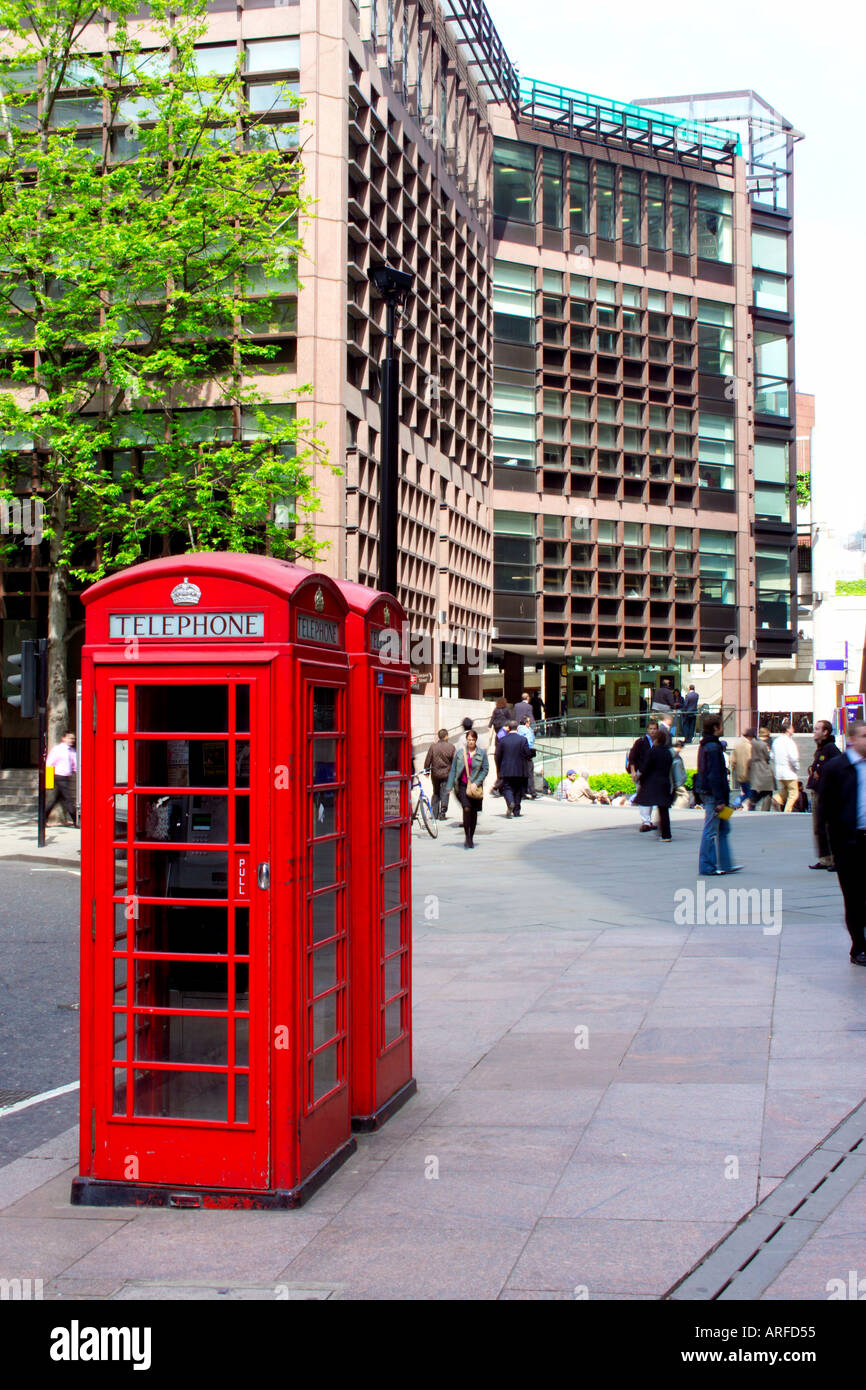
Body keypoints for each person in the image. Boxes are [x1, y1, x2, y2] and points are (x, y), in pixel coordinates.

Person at [820, 718, 866, 965]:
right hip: (849, 842)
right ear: (853, 739)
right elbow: (824, 811)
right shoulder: (836, 767)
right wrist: (826, 850)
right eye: (865, 736)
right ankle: (858, 946)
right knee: (854, 897)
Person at [695, 715, 741, 876]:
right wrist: (720, 800)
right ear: (715, 728)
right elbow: (714, 775)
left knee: (723, 828)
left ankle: (726, 864)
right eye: (721, 725)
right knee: (712, 830)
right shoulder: (713, 747)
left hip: (713, 794)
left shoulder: (707, 745)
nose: (723, 728)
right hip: (714, 796)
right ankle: (707, 866)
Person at [444, 729, 488, 849]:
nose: (471, 742)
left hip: (475, 787)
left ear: (476, 740)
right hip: (462, 785)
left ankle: (471, 837)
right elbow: (453, 769)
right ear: (466, 740)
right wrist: (449, 786)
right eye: (469, 740)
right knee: (466, 808)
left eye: (473, 740)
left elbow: (485, 769)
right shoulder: (460, 753)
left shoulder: (481, 753)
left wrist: (477, 782)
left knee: (473, 812)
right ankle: (467, 836)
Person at [806, 719, 841, 869]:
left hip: (826, 793)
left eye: (817, 729)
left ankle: (835, 859)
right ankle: (825, 858)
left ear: (825, 732)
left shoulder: (831, 748)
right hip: (817, 792)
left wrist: (822, 773)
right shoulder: (820, 749)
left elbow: (837, 767)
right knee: (818, 827)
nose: (814, 731)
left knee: (828, 827)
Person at [635, 729, 674, 841]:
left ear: (656, 740)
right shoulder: (668, 752)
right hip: (665, 782)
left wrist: (640, 778)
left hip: (654, 783)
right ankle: (666, 834)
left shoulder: (653, 751)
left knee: (648, 803)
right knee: (663, 809)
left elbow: (646, 767)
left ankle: (659, 830)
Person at [628, 719, 659, 831]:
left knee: (650, 797)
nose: (652, 731)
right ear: (647, 730)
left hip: (653, 773)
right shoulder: (640, 742)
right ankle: (645, 821)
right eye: (650, 729)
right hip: (641, 772)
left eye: (654, 729)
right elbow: (632, 757)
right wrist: (633, 771)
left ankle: (648, 820)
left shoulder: (659, 742)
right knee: (642, 796)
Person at [498, 721, 529, 819]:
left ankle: (510, 802)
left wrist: (499, 767)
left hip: (506, 769)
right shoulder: (523, 740)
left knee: (507, 788)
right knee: (518, 789)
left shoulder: (502, 740)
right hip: (520, 769)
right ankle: (517, 810)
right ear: (517, 728)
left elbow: (498, 756)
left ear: (508, 728)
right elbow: (527, 753)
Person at [46, 731, 77, 826]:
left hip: (67, 777)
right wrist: (49, 781)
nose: (72, 740)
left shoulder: (71, 750)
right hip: (59, 776)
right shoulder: (58, 749)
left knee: (56, 799)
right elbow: (49, 763)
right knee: (68, 799)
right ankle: (77, 820)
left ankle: (43, 818)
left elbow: (75, 764)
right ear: (63, 738)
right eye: (69, 738)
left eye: (73, 738)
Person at [423, 728, 455, 821]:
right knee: (445, 792)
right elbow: (454, 762)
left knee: (436, 792)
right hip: (446, 774)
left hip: (435, 773)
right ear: (446, 736)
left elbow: (428, 759)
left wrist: (427, 770)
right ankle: (443, 812)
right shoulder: (451, 747)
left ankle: (434, 813)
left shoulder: (433, 747)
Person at [771, 720, 800, 811]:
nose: (793, 729)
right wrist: (796, 767)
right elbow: (793, 757)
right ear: (788, 730)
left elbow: (772, 755)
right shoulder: (789, 742)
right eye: (791, 727)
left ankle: (776, 799)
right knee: (794, 793)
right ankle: (787, 810)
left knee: (785, 789)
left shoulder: (776, 741)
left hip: (779, 771)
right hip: (789, 771)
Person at [747, 727, 774, 812]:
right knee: (768, 791)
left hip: (755, 770)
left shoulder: (753, 743)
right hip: (763, 769)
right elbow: (767, 757)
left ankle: (753, 802)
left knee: (761, 790)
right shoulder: (764, 744)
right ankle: (764, 810)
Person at [731, 730, 754, 808]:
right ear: (750, 737)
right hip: (748, 773)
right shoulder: (750, 746)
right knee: (749, 793)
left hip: (739, 773)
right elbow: (750, 759)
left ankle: (739, 803)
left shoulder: (737, 745)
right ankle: (736, 802)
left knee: (746, 791)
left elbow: (733, 760)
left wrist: (734, 769)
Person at [517, 715, 537, 799]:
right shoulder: (527, 731)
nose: (530, 723)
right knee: (530, 773)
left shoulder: (519, 729)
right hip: (527, 753)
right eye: (529, 722)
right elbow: (529, 742)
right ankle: (532, 792)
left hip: (519, 754)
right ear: (526, 723)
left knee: (522, 773)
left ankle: (522, 792)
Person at [670, 740, 690, 809]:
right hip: (675, 785)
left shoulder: (676, 756)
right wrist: (679, 784)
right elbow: (677, 773)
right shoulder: (675, 756)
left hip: (674, 785)